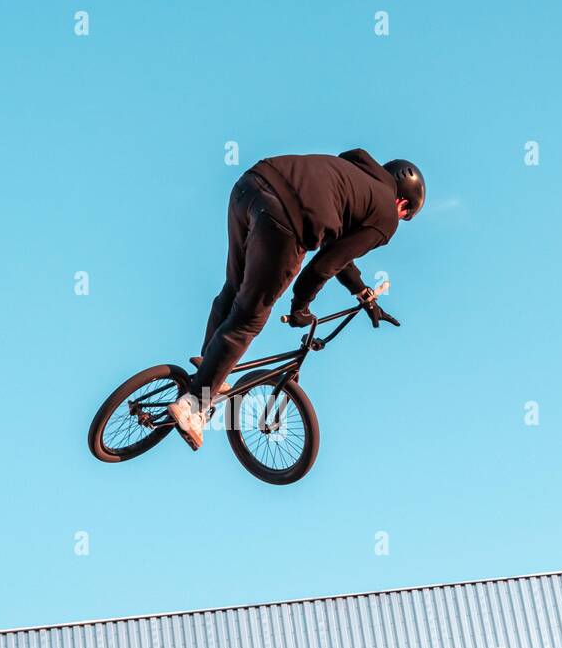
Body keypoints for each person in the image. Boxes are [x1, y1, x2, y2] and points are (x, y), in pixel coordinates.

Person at [168, 149, 424, 450]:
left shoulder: (355, 175)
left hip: (251, 184)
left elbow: (337, 253)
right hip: (284, 221)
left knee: (234, 289)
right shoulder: (386, 217)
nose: (398, 221)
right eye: (404, 216)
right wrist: (300, 306)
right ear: (402, 202)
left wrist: (362, 292)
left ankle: (208, 366)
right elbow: (325, 265)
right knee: (250, 317)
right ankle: (194, 403)